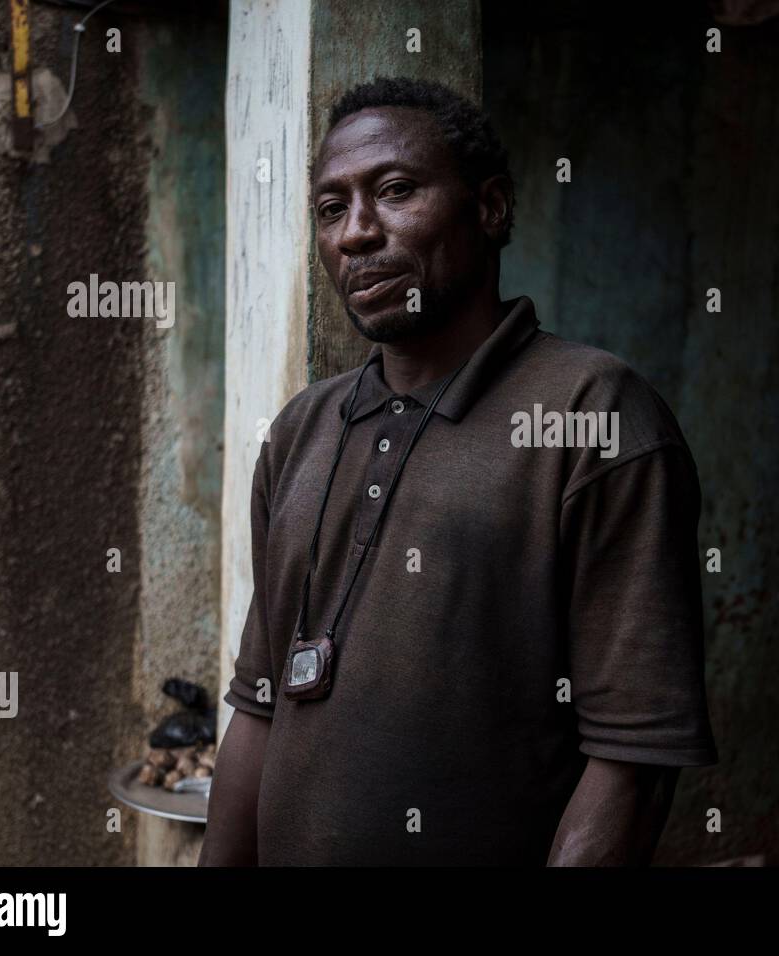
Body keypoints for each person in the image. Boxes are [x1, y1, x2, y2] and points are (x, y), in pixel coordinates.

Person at [199, 77, 717, 866]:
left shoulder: (592, 413)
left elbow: (633, 758)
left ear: (491, 209)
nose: (356, 234)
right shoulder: (300, 431)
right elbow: (260, 710)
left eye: (396, 191)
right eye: (331, 209)